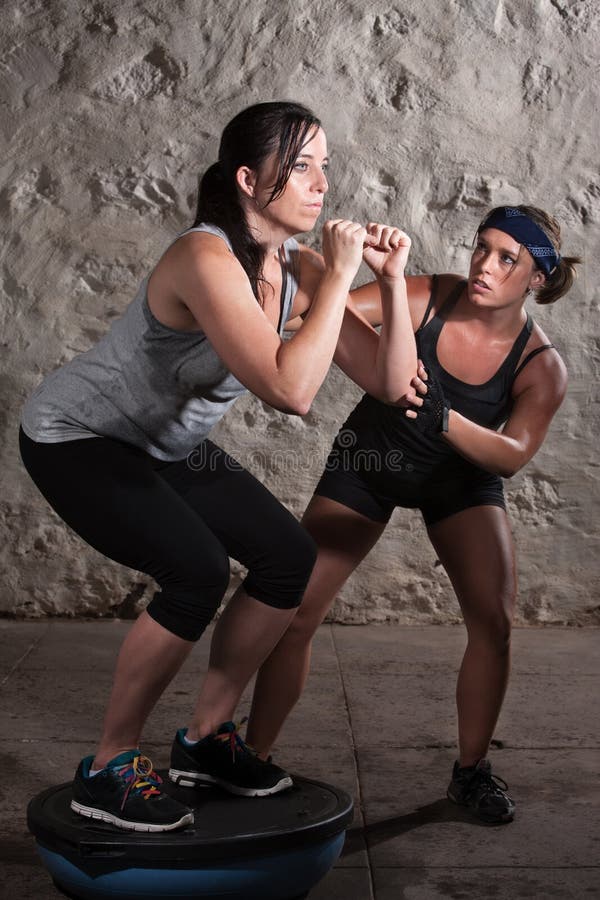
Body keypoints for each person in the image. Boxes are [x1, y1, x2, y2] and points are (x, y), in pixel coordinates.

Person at [19, 101, 417, 833]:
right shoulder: (204, 256)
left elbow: (393, 384)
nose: (321, 182)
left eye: (324, 165)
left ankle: (204, 742)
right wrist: (335, 283)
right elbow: (291, 390)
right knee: (196, 570)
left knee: (287, 556)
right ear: (247, 177)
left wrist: (387, 282)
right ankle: (107, 766)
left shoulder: (299, 268)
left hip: (166, 444)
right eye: (301, 165)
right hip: (79, 435)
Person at [245, 205, 580, 825]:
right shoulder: (433, 295)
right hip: (370, 460)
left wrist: (445, 418)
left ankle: (471, 772)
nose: (485, 265)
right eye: (483, 247)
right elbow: (328, 315)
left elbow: (510, 455)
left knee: (495, 621)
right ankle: (249, 756)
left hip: (460, 481)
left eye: (508, 258)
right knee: (295, 612)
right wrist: (308, 281)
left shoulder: (541, 366)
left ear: (537, 277)